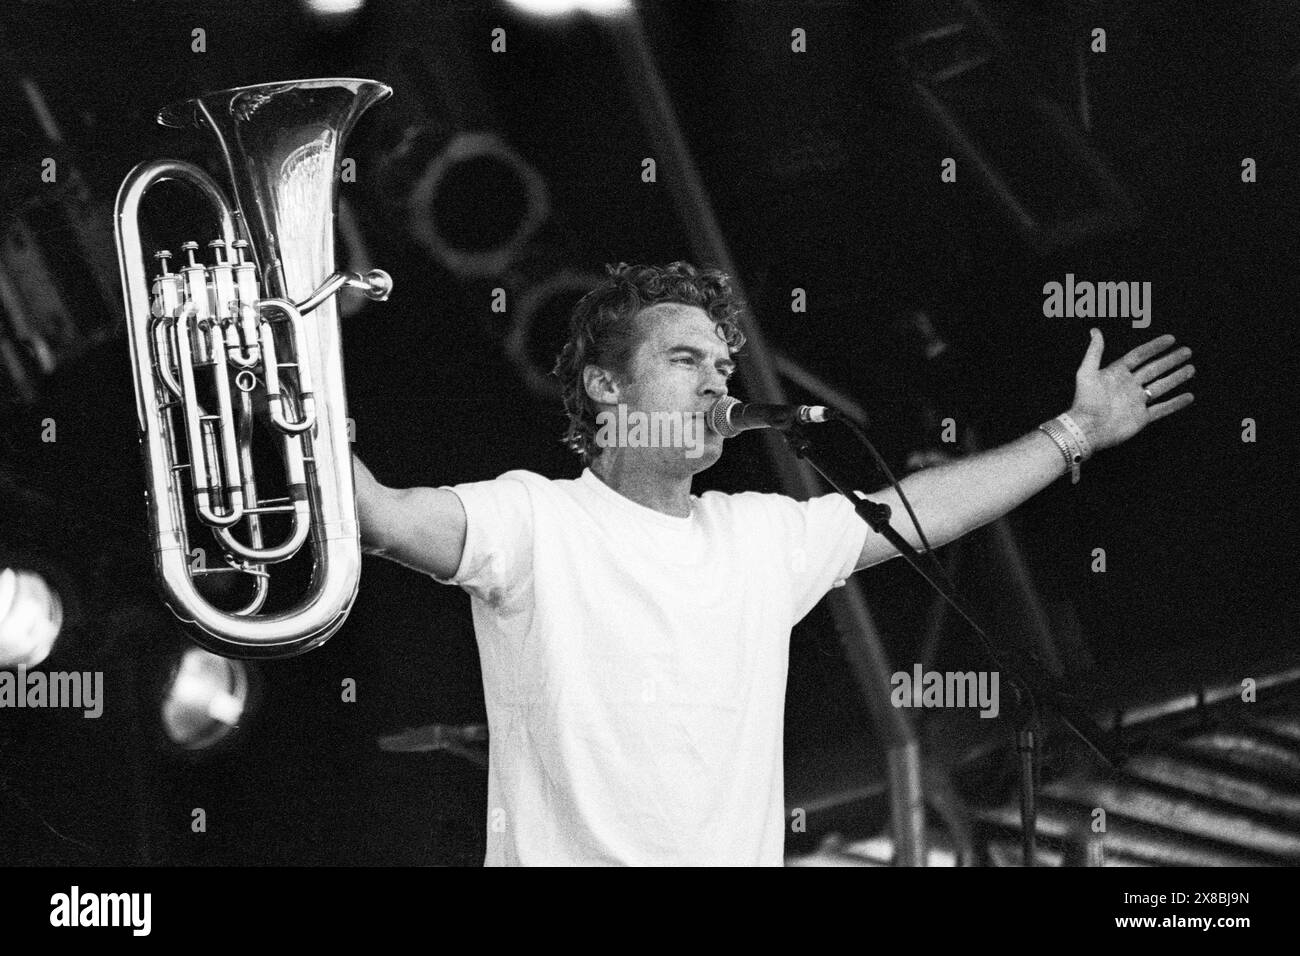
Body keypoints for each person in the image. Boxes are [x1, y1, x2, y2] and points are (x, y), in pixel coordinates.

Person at [353, 261, 1194, 866]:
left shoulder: (759, 535)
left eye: (723, 365)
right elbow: (382, 518)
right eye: (686, 361)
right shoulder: (533, 517)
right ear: (607, 388)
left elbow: (912, 514)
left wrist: (1074, 434)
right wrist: (291, 403)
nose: (719, 382)